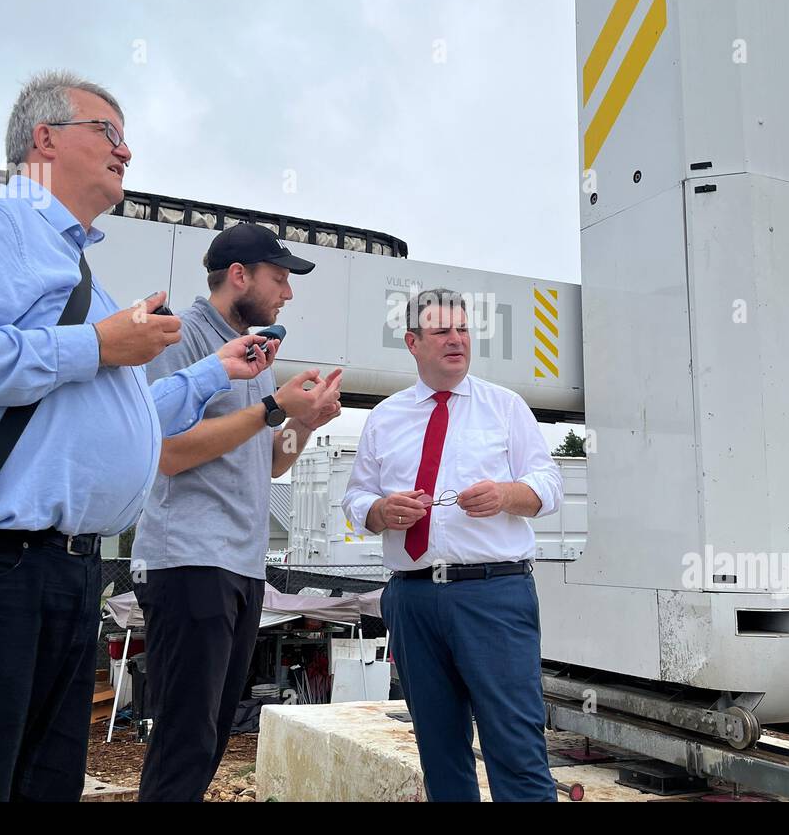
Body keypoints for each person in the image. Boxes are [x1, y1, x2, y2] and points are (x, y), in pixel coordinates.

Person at [0, 70, 274, 802]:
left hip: (61, 576)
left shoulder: (72, 261)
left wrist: (213, 372)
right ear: (44, 138)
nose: (128, 151)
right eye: (109, 133)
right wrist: (94, 346)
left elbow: (123, 422)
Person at [132, 223, 343, 802]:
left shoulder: (257, 355)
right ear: (239, 276)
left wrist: (304, 422)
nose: (288, 294)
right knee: (185, 735)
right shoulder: (181, 339)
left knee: (213, 733)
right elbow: (168, 454)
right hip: (188, 559)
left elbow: (272, 462)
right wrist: (274, 406)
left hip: (240, 565)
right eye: (280, 278)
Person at [342, 288, 562, 802]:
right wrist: (380, 511)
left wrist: (509, 494)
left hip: (493, 596)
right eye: (442, 331)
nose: (456, 340)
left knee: (515, 746)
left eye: (463, 330)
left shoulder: (505, 408)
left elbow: (549, 486)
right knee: (439, 750)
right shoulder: (385, 416)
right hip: (412, 599)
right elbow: (356, 497)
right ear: (413, 342)